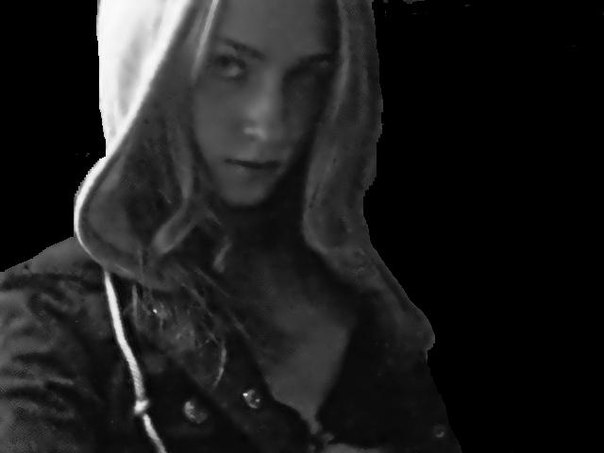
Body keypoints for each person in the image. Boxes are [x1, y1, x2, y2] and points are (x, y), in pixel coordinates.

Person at [0, 0, 462, 452]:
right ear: (148, 67)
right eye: (227, 66)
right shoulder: (49, 316)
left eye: (310, 75)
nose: (271, 124)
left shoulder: (367, 290)